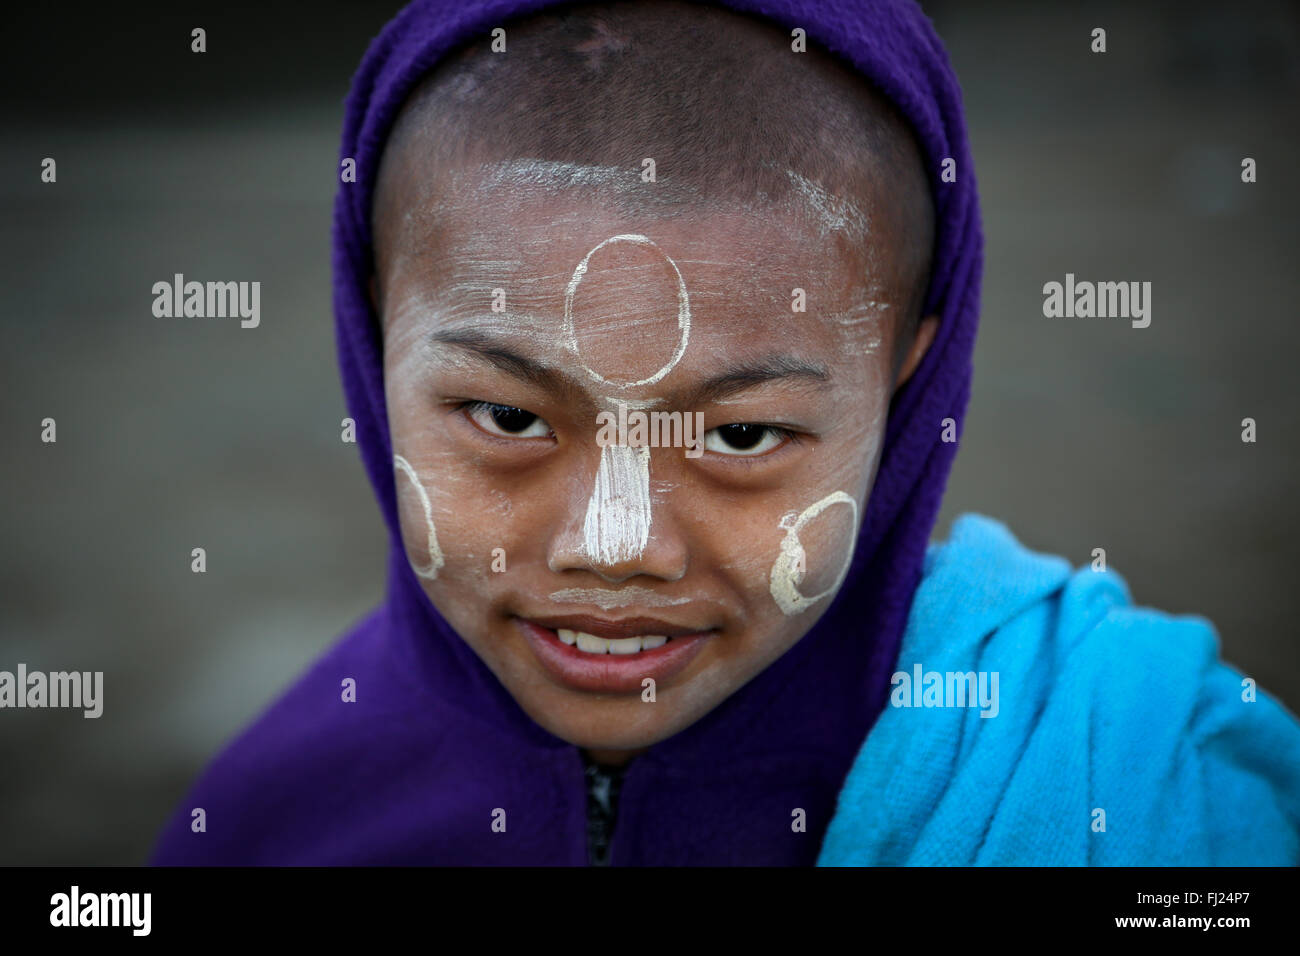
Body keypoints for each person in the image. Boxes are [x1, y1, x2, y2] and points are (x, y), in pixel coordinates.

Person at [150, 0, 1300, 866]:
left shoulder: (1132, 782)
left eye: (742, 435)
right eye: (506, 415)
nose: (616, 546)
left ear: (908, 366)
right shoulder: (268, 820)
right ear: (371, 334)